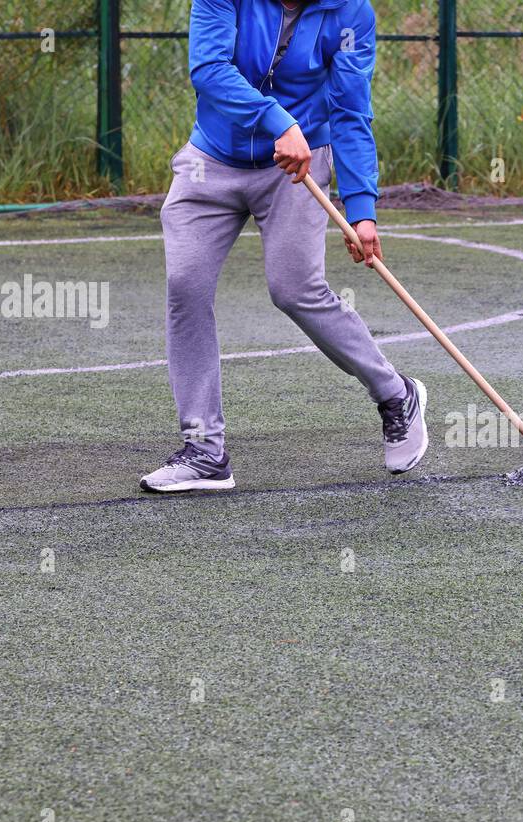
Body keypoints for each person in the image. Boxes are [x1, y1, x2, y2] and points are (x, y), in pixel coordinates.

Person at [140, 0, 427, 493]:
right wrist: (279, 122)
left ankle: (396, 393)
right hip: (212, 160)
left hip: (298, 167)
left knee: (295, 289)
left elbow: (351, 111)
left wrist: (361, 210)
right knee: (185, 285)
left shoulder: (351, 12)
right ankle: (206, 452)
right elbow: (209, 70)